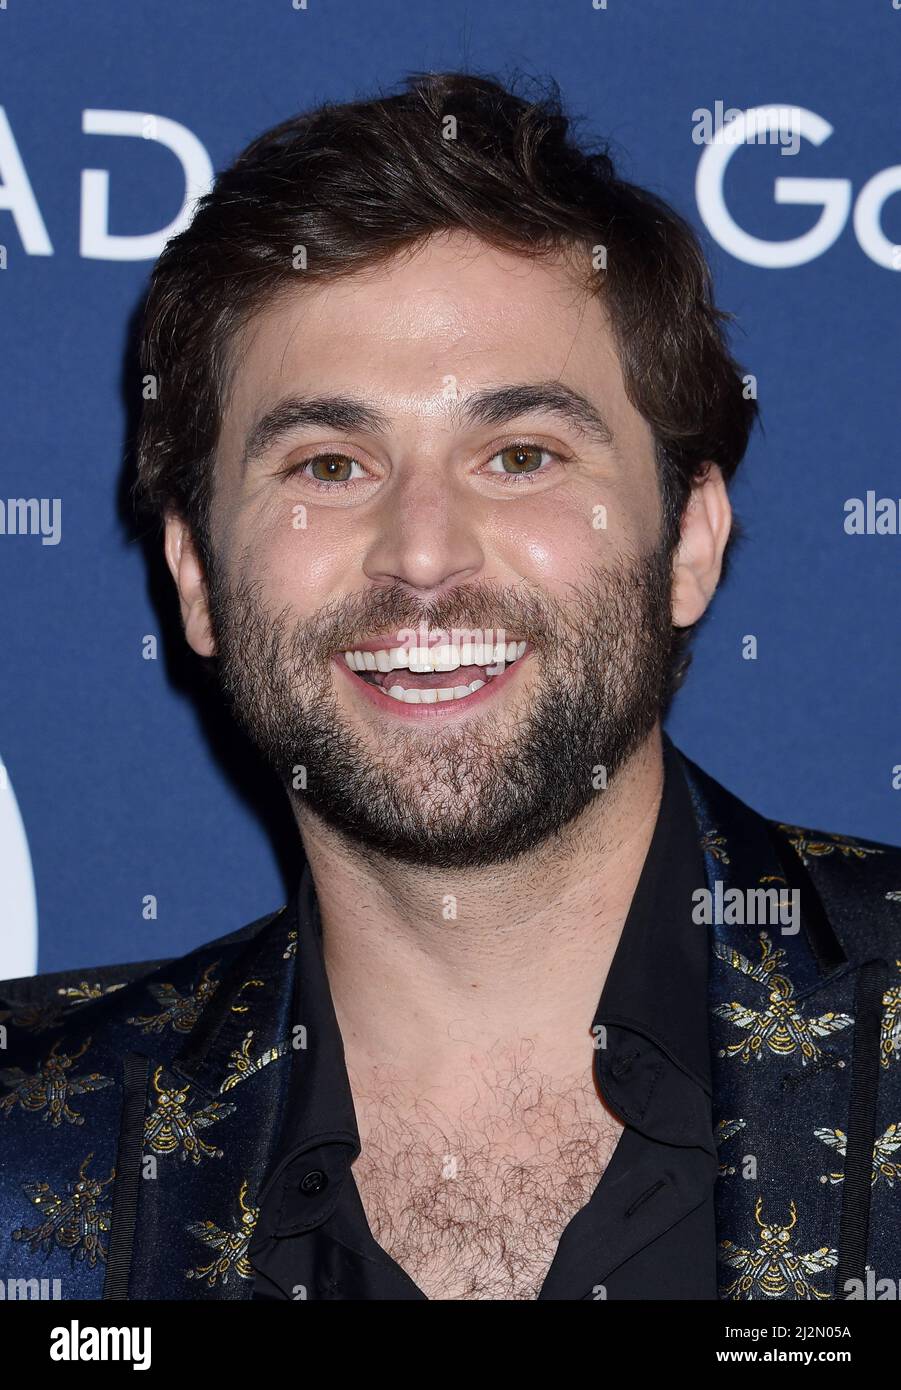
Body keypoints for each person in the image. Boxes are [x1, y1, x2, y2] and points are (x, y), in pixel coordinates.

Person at [2, 71, 898, 1303]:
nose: (423, 550)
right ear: (197, 573)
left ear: (688, 538)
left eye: (520, 455)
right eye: (330, 461)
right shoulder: (25, 1138)